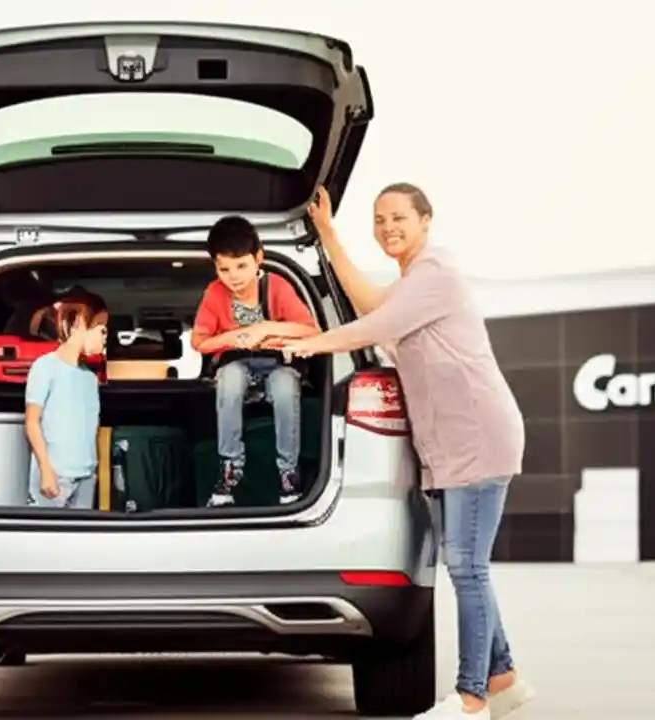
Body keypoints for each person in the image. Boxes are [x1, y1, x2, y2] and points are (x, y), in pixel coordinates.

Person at [283, 185, 534, 720]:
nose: (387, 226)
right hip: (448, 448)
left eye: (398, 217)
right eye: (378, 220)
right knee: (466, 565)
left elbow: (374, 326)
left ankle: (472, 698)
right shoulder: (411, 282)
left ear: (425, 220)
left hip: (478, 438)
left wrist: (310, 345)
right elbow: (368, 303)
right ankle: (504, 676)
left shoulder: (436, 273)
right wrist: (329, 235)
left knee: (467, 567)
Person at [190, 216, 319, 508]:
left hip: (278, 364)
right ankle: (230, 468)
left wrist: (265, 329)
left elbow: (311, 331)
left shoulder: (278, 286)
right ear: (215, 267)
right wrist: (233, 338)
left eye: (241, 266)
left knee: (286, 386)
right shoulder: (214, 293)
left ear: (258, 258)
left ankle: (288, 472)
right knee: (230, 379)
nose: (233, 276)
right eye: (224, 269)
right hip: (237, 363)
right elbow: (199, 342)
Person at [24, 292, 109, 509]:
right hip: (54, 475)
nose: (105, 337)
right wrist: (45, 470)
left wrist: (95, 472)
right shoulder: (45, 367)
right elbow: (33, 422)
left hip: (86, 476)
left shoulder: (90, 379)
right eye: (102, 330)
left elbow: (91, 428)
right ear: (79, 323)